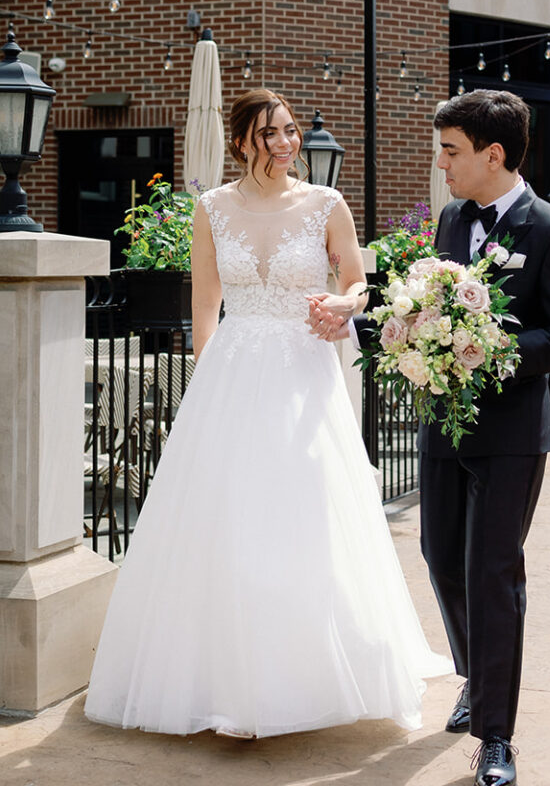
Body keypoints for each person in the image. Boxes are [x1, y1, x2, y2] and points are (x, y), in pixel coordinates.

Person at [85, 87, 448, 739]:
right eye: (270, 134)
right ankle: (221, 681)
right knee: (226, 516)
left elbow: (357, 283)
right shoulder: (211, 208)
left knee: (303, 509)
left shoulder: (325, 205)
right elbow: (204, 302)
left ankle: (309, 675)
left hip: (304, 372)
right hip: (231, 372)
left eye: (288, 132)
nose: (285, 143)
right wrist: (205, 376)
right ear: (242, 141)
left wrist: (345, 306)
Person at [311, 90, 550, 786]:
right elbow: (432, 305)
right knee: (441, 559)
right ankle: (479, 673)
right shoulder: (449, 219)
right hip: (443, 425)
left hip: (512, 435)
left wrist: (488, 346)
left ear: (492, 155)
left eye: (451, 151)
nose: (441, 164)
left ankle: (496, 735)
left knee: (493, 574)